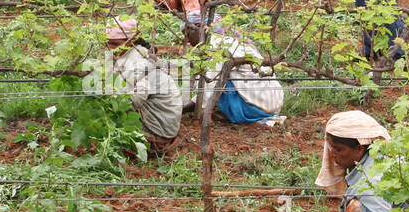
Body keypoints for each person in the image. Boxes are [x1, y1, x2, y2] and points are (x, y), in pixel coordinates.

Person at [105, 18, 185, 155]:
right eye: (108, 43)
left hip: (159, 129)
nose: (110, 48)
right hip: (161, 120)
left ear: (130, 42)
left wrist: (105, 102)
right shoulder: (128, 54)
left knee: (109, 126)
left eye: (115, 44)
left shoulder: (141, 61)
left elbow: (134, 100)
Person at [184, 19, 285, 125]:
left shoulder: (216, 47)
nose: (186, 39)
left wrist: (180, 109)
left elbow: (209, 89)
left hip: (256, 109)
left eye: (187, 33)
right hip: (272, 103)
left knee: (219, 80)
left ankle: (241, 114)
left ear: (199, 29)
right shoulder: (230, 41)